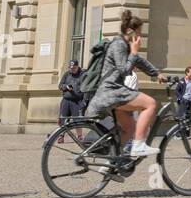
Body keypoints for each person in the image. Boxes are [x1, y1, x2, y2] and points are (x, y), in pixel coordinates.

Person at [85, 10, 168, 158]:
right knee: (151, 104)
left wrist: (157, 74)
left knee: (129, 128)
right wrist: (134, 52)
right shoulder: (118, 45)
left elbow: (139, 62)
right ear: (130, 31)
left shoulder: (124, 45)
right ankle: (138, 146)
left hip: (113, 93)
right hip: (111, 92)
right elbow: (124, 70)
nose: (140, 36)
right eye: (139, 32)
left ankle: (111, 163)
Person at [56, 59, 85, 143]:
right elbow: (60, 85)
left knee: (77, 120)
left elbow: (85, 87)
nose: (72, 69)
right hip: (66, 100)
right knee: (62, 119)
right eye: (71, 68)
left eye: (74, 68)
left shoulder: (82, 75)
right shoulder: (66, 74)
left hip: (77, 101)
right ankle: (61, 136)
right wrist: (66, 87)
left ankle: (80, 136)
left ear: (77, 66)